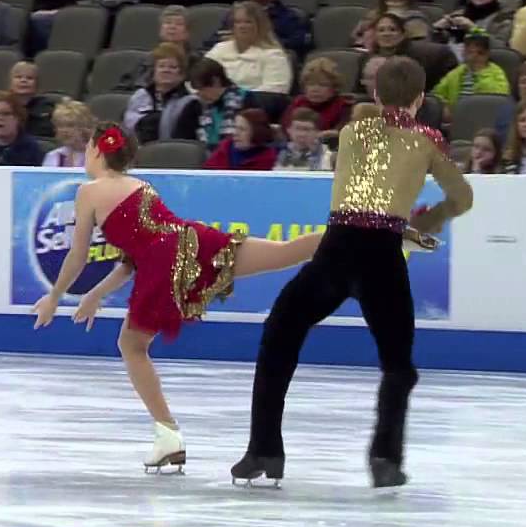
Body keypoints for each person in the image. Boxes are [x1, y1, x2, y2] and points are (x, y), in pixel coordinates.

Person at [230, 56, 474, 489]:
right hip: (382, 256)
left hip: (337, 249)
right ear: (421, 98)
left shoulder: (350, 132)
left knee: (279, 338)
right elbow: (462, 197)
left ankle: (263, 449)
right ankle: (385, 457)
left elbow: (375, 154)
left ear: (376, 94)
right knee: (398, 364)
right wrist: (425, 223)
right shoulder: (429, 140)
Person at [31, 123, 323, 471]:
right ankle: (371, 235)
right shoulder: (140, 185)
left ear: (96, 150)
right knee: (285, 251)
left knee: (132, 345)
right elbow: (133, 259)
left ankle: (167, 434)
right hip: (194, 243)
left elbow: (79, 256)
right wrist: (95, 295)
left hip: (164, 261)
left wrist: (54, 296)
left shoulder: (89, 192)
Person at [203, 108, 278, 170]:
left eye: (242, 129)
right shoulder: (224, 148)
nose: (235, 133)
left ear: (257, 132)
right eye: (235, 128)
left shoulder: (268, 160)